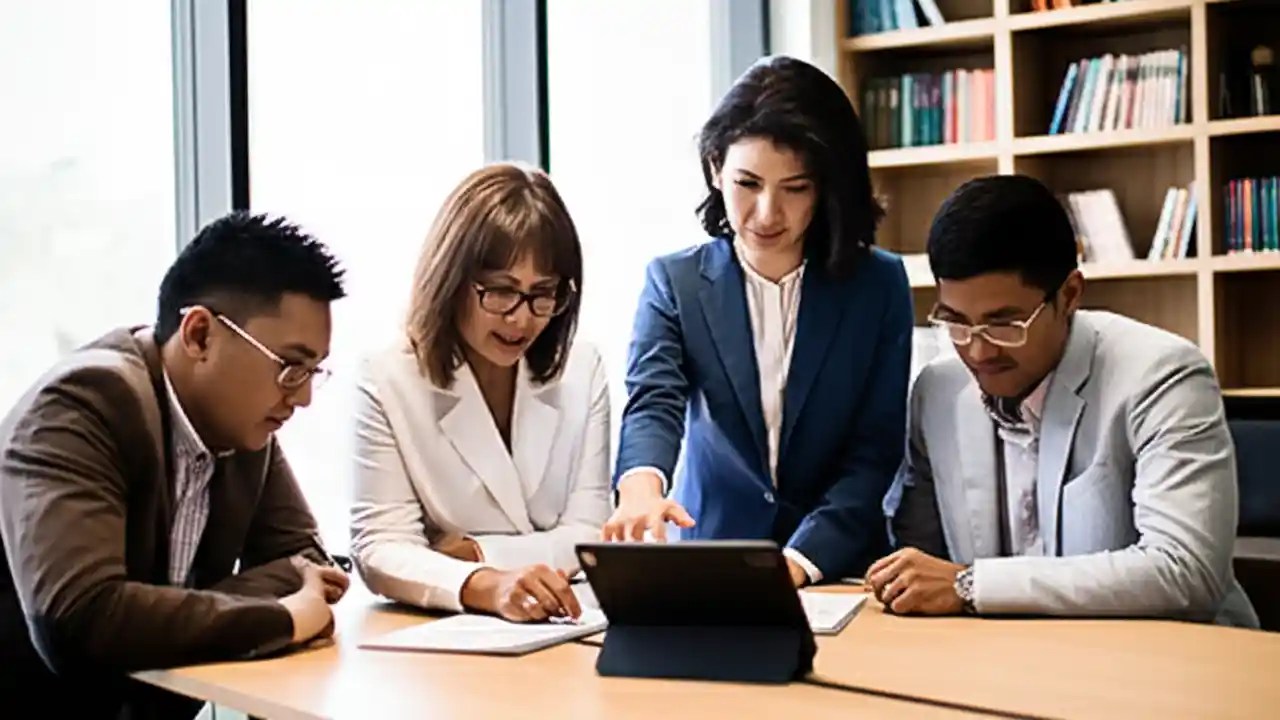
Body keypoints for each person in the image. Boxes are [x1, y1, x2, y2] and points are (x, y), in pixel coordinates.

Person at [0, 212, 352, 718]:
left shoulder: (242, 424)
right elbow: (79, 616)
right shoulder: (83, 403)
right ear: (200, 335)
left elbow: (308, 565)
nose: (303, 398)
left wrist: (166, 608)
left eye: (313, 371)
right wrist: (279, 619)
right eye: (290, 366)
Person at [874, 175, 1259, 628]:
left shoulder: (1162, 376)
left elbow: (1185, 572)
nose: (978, 351)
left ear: (1070, 294)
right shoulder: (938, 391)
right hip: (1002, 665)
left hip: (1167, 663)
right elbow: (922, 562)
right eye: (956, 322)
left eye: (1005, 324)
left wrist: (970, 585)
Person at [602, 55, 914, 586]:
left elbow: (874, 450)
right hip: (714, 561)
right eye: (747, 183)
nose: (767, 214)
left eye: (795, 188)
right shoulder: (674, 283)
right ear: (714, 169)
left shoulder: (878, 286)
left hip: (836, 568)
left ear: (827, 186)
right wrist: (640, 487)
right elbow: (654, 400)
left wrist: (796, 563)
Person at [351, 163, 607, 623]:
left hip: (570, 623)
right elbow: (379, 548)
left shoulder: (582, 368)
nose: (522, 319)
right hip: (447, 638)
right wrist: (486, 585)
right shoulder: (388, 378)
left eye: (542, 294)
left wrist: (472, 551)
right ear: (451, 280)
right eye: (500, 292)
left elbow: (591, 537)